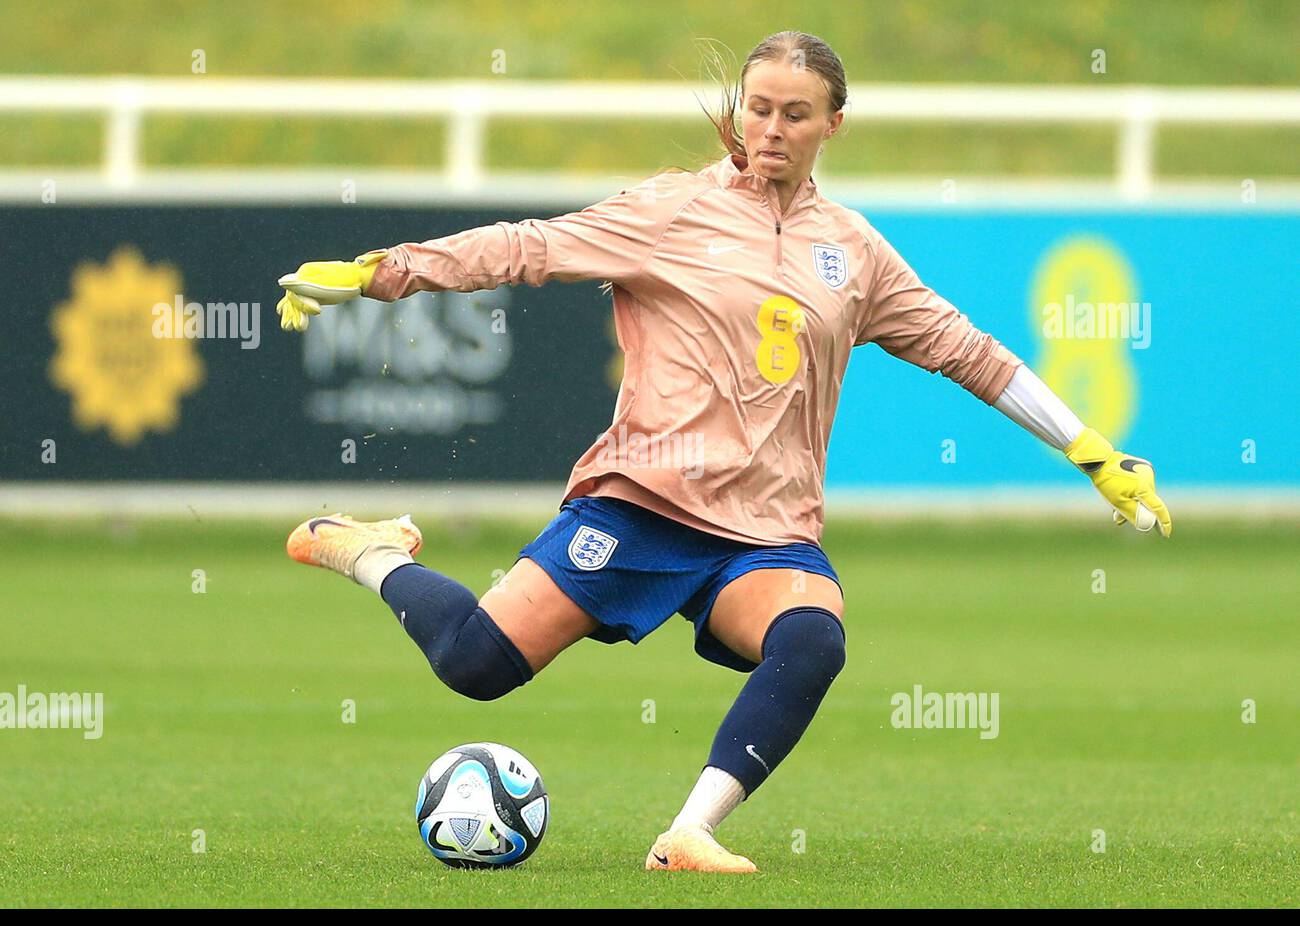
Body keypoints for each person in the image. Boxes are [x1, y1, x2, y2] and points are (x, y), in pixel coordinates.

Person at [275, 31, 1171, 874]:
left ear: (834, 124)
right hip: (643, 504)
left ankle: (689, 832)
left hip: (765, 531)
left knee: (813, 637)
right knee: (475, 666)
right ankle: (372, 551)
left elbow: (965, 349)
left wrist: (1092, 450)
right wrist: (383, 270)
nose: (770, 130)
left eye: (794, 113)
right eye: (757, 108)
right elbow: (529, 249)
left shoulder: (852, 252)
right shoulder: (673, 209)